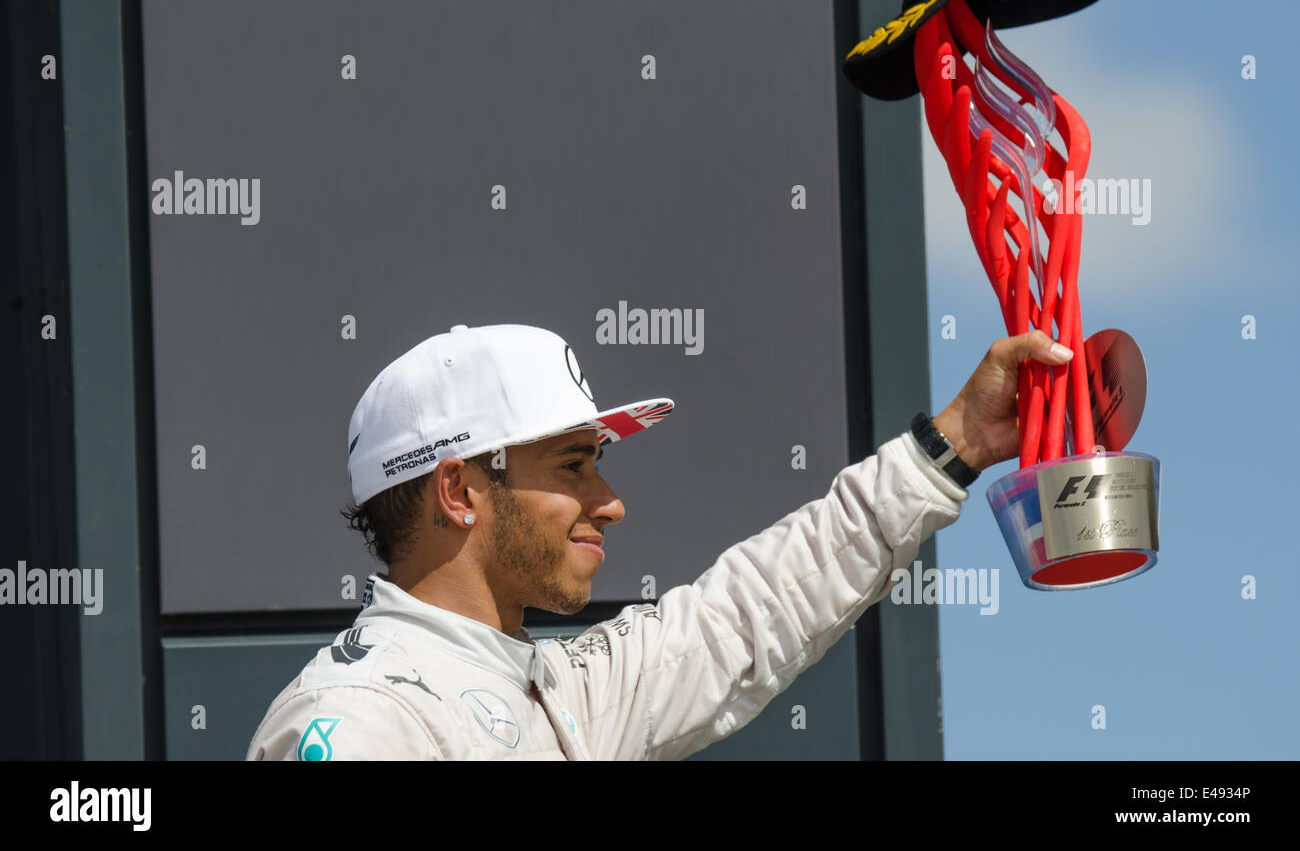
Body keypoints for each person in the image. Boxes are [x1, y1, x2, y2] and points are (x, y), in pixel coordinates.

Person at [246, 322, 1073, 760]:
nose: (610, 503)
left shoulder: (565, 688)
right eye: (573, 464)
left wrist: (959, 438)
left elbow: (753, 610)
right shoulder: (356, 721)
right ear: (459, 491)